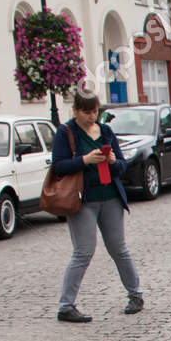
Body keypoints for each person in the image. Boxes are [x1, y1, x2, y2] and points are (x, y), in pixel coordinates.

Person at [51, 90, 142, 323]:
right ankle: (66, 306)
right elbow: (58, 166)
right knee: (83, 252)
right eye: (86, 112)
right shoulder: (66, 132)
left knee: (118, 248)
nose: (92, 117)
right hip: (83, 200)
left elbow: (122, 165)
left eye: (95, 112)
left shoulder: (106, 131)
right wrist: (84, 160)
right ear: (75, 110)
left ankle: (136, 295)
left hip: (110, 197)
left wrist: (113, 162)